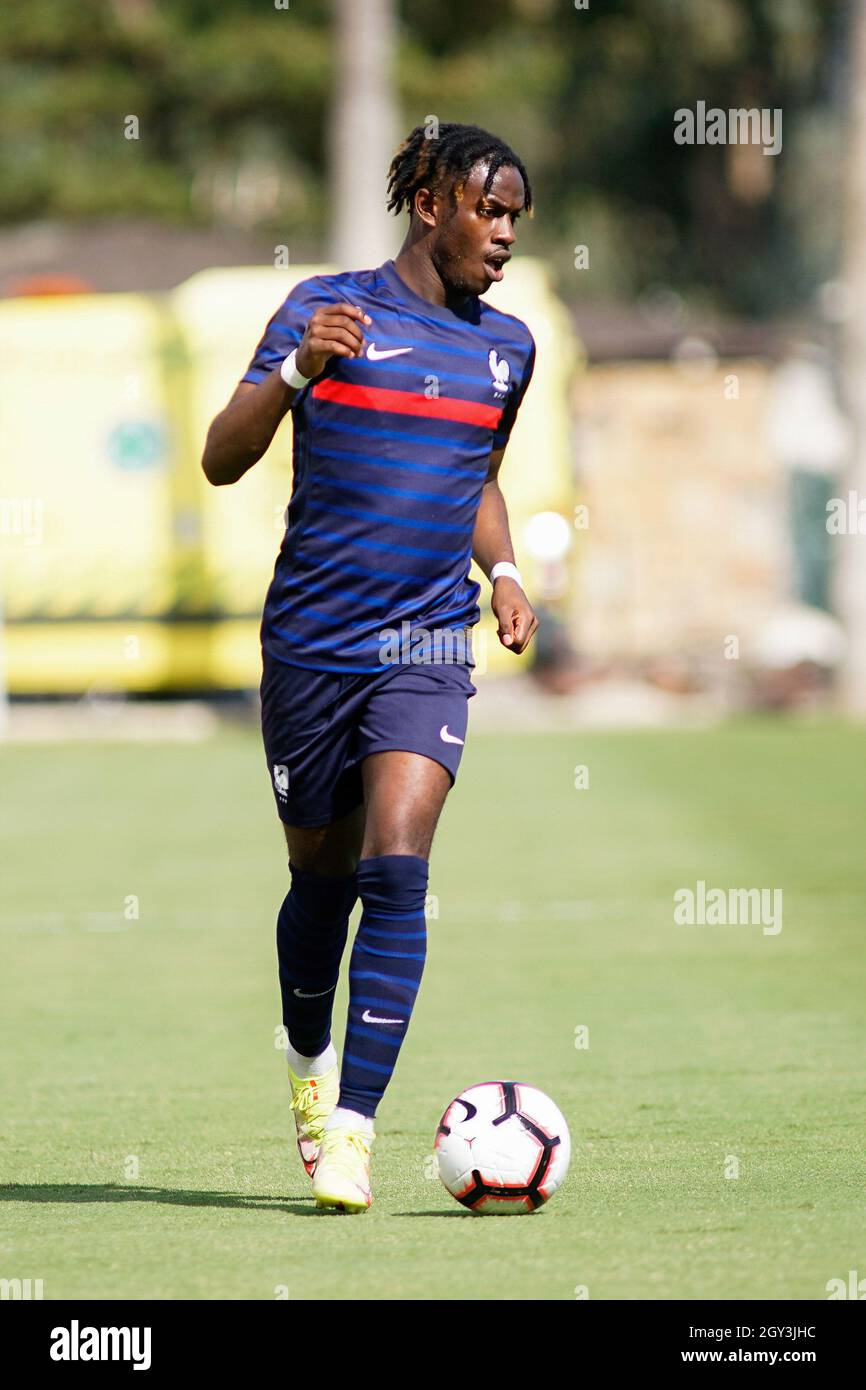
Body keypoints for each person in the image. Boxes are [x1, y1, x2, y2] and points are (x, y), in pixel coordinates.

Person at [201, 123, 538, 1211]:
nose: (503, 237)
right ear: (430, 201)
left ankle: (353, 1133)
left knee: (399, 866)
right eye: (488, 211)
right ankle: (310, 1062)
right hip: (308, 645)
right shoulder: (322, 310)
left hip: (426, 644)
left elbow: (478, 476)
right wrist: (300, 368)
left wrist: (503, 572)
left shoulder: (506, 349)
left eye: (515, 221)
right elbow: (221, 457)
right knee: (321, 880)